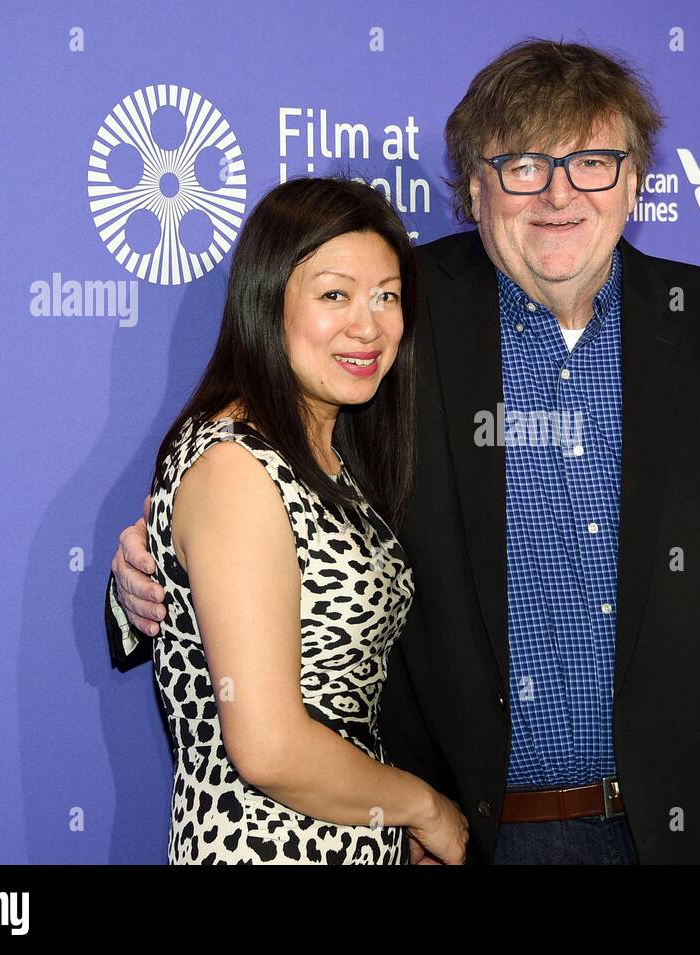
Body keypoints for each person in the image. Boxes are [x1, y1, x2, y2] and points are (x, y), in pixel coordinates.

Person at [110, 38, 700, 864]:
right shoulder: (387, 325)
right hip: (462, 842)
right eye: (522, 165)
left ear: (636, 183)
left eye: (593, 162)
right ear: (475, 188)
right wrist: (144, 576)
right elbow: (255, 471)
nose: (558, 194)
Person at [131, 175, 467, 864]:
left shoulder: (328, 453)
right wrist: (425, 808)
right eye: (335, 294)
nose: (368, 325)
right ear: (267, 299)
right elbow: (270, 746)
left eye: (387, 296)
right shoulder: (234, 462)